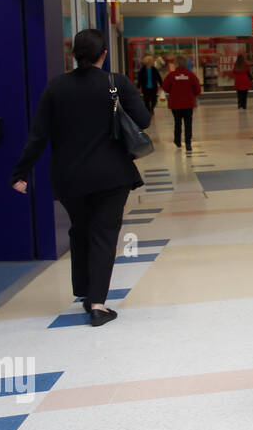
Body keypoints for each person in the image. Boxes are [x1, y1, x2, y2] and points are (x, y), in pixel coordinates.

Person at [10, 29, 151, 327]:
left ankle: (85, 293)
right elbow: (144, 120)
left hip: (68, 178)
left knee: (81, 231)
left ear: (74, 53)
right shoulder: (116, 84)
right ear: (103, 54)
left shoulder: (56, 87)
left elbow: (38, 135)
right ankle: (98, 305)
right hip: (111, 176)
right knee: (103, 235)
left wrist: (21, 173)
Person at [162, 54, 201, 151]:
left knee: (177, 122)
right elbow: (197, 90)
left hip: (175, 103)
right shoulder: (191, 75)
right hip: (188, 103)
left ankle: (178, 141)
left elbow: (165, 87)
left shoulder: (171, 75)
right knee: (188, 124)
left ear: (176, 63)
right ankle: (188, 143)